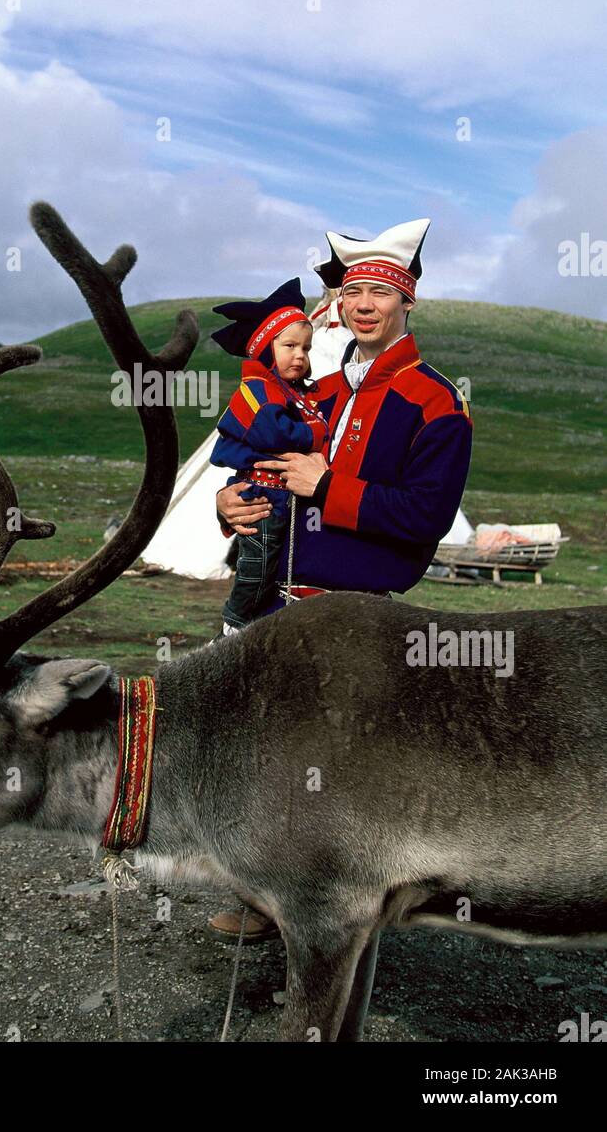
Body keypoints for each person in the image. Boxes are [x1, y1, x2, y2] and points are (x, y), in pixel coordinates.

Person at [208, 218, 473, 963]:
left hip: (355, 615)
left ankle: (341, 933)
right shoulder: (309, 390)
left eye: (378, 293)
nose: (364, 304)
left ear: (406, 303)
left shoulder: (435, 403)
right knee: (260, 757)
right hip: (271, 605)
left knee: (341, 776)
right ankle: (267, 900)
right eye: (352, 290)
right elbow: (260, 475)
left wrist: (332, 485)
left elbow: (427, 517)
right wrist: (227, 511)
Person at [208, 278, 329, 635]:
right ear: (264, 349)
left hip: (281, 496)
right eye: (290, 345)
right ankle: (233, 626)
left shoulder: (294, 393)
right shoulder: (257, 391)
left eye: (306, 348)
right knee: (258, 568)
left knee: (276, 565)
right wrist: (316, 433)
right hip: (263, 495)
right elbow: (275, 434)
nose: (300, 355)